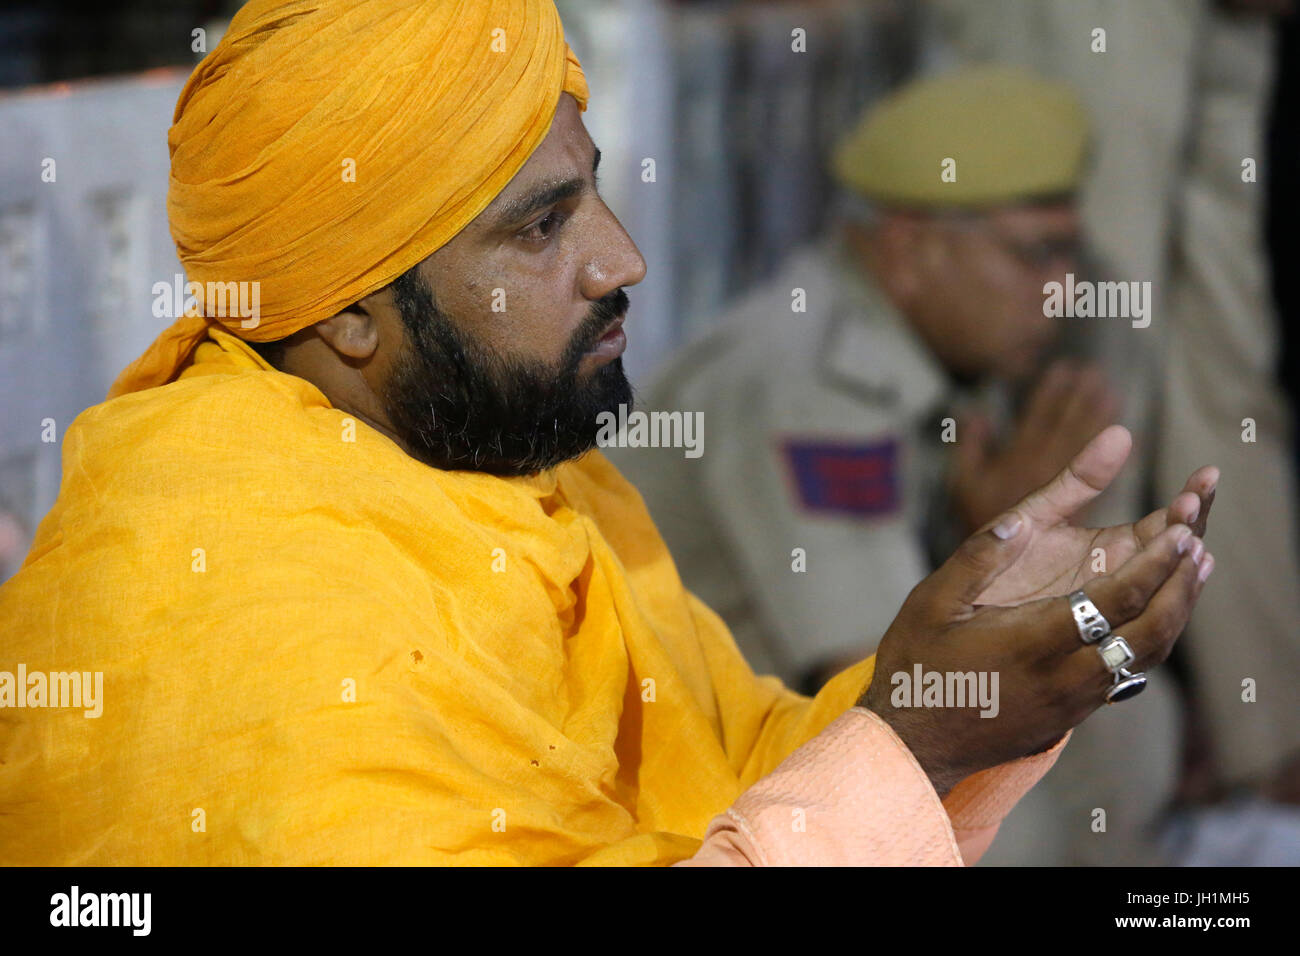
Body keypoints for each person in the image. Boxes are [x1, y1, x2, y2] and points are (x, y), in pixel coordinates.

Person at [0, 0, 1217, 866]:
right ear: (355, 314)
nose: (621, 257)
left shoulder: (512, 457)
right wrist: (914, 732)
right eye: (540, 229)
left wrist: (965, 674)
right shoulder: (243, 633)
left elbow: (744, 776)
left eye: (592, 190)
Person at [612, 66, 1120, 691]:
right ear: (908, 250)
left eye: (1070, 255)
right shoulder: (807, 387)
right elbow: (891, 690)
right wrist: (1000, 555)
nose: (1064, 292)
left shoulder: (942, 354)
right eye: (1033, 255)